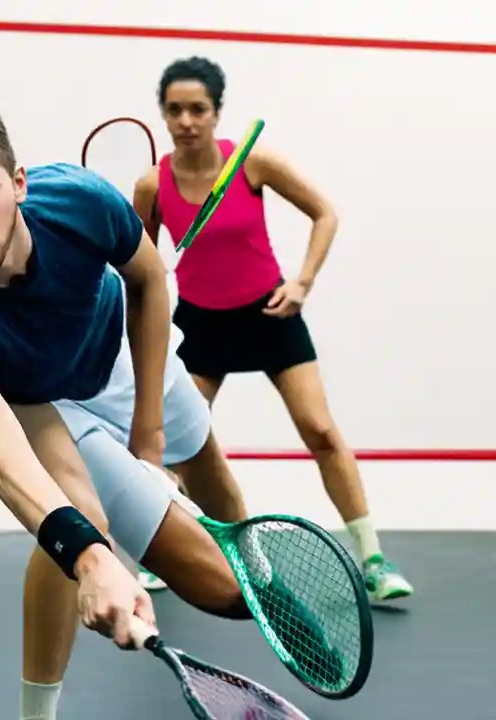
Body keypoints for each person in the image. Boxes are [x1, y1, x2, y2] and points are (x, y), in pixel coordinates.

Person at [0, 95, 257, 720]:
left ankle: (266, 577)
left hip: (126, 347)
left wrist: (149, 437)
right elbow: (2, 459)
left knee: (211, 476)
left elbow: (148, 281)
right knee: (195, 580)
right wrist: (93, 559)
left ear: (18, 182)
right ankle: (38, 715)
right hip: (42, 401)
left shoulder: (80, 200)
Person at [130, 56, 413, 603]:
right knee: (169, 449)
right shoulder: (151, 187)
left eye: (198, 109)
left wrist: (302, 284)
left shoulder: (252, 164)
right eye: (175, 110)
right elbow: (139, 267)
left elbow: (324, 212)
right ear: (163, 116)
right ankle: (161, 558)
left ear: (216, 113)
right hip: (201, 328)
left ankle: (374, 561)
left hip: (269, 316)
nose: (186, 120)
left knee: (321, 431)